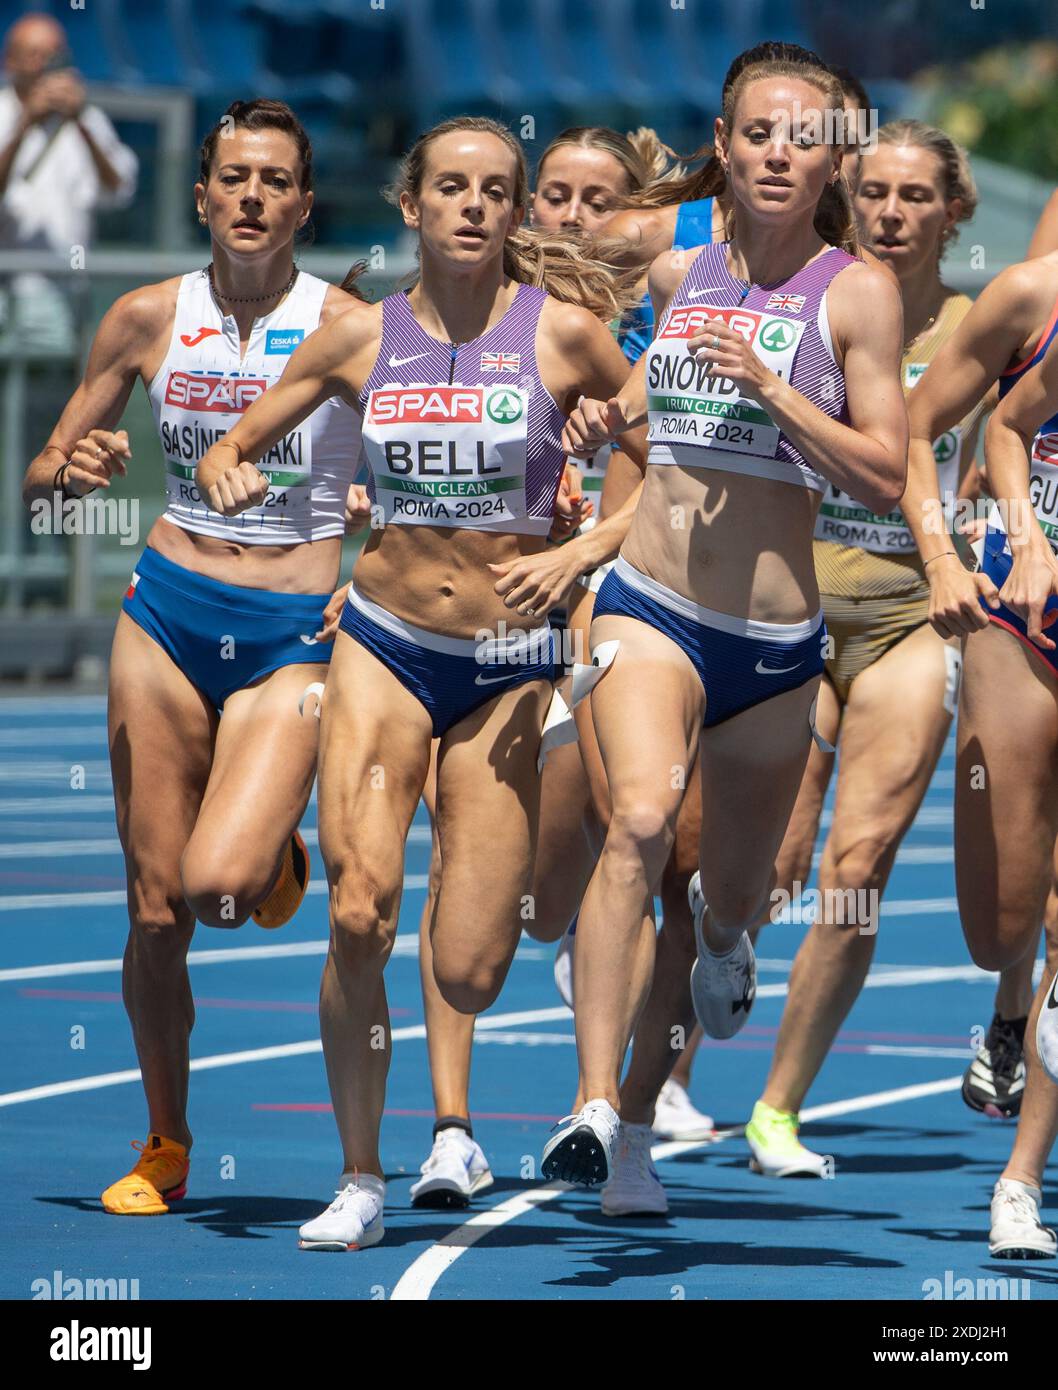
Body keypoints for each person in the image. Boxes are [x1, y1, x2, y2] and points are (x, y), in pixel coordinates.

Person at [194, 115, 647, 1250]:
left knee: (470, 964)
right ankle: (358, 1174)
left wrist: (584, 546)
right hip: (385, 643)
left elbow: (662, 462)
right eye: (450, 187)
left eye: (496, 190)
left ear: (512, 210)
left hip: (504, 667)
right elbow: (229, 445)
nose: (474, 207)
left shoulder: (571, 337)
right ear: (412, 204)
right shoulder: (357, 339)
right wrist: (230, 468)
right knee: (358, 910)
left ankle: (461, 1092)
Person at [547, 49, 906, 1188]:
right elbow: (661, 378)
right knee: (640, 822)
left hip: (774, 643)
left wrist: (776, 389)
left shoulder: (855, 291)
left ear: (829, 157)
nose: (776, 153)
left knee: (727, 895)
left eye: (801, 136)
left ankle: (715, 951)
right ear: (723, 139)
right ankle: (600, 1110)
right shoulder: (683, 268)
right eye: (757, 132)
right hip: (652, 603)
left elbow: (884, 476)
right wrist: (610, 411)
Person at [20, 98, 366, 1215]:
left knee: (219, 891)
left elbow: (430, 478)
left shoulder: (351, 326)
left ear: (305, 203)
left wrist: (376, 561)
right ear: (203, 195)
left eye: (276, 179)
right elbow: (43, 467)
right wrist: (65, 474)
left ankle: (268, 860)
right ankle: (166, 1141)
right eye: (234, 177)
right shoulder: (142, 316)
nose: (253, 196)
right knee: (156, 908)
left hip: (289, 630)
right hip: (166, 612)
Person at [407, 123, 661, 1208]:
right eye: (547, 193)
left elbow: (687, 473)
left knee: (628, 834)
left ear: (634, 216)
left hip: (627, 612)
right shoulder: (467, 312)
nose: (563, 216)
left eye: (590, 199)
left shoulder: (656, 326)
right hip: (500, 631)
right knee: (499, 878)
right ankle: (451, 1127)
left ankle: (605, 1110)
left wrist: (596, 525)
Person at [741, 120, 987, 1176]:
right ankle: (697, 987)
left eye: (913, 197)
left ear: (950, 213)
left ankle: (775, 1109)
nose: (889, 212)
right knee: (767, 865)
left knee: (857, 865)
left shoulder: (990, 326)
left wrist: (988, 531)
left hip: (905, 622)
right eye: (874, 192)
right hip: (791, 607)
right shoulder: (816, 296)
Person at [903, 240, 1058, 1256]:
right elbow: (1001, 422)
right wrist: (1010, 535)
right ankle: (1007, 1000)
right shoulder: (1029, 293)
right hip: (1023, 606)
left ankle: (1017, 1183)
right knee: (997, 925)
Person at [0, 12, 136, 348]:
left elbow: (118, 189)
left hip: (67, 293)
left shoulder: (87, 119)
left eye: (55, 53)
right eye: (35, 55)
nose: (46, 64)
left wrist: (80, 122)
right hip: (6, 292)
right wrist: (24, 125)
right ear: (10, 61)